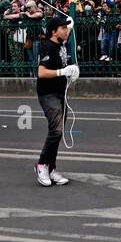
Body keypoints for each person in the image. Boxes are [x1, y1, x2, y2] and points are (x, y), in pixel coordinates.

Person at [34, 17, 79, 186]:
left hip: (61, 93)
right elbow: (42, 73)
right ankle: (42, 165)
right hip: (48, 94)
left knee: (58, 133)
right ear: (54, 31)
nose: (66, 31)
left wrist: (71, 72)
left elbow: (69, 28)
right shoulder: (47, 46)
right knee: (55, 131)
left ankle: (51, 168)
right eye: (63, 28)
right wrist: (63, 71)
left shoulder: (61, 44)